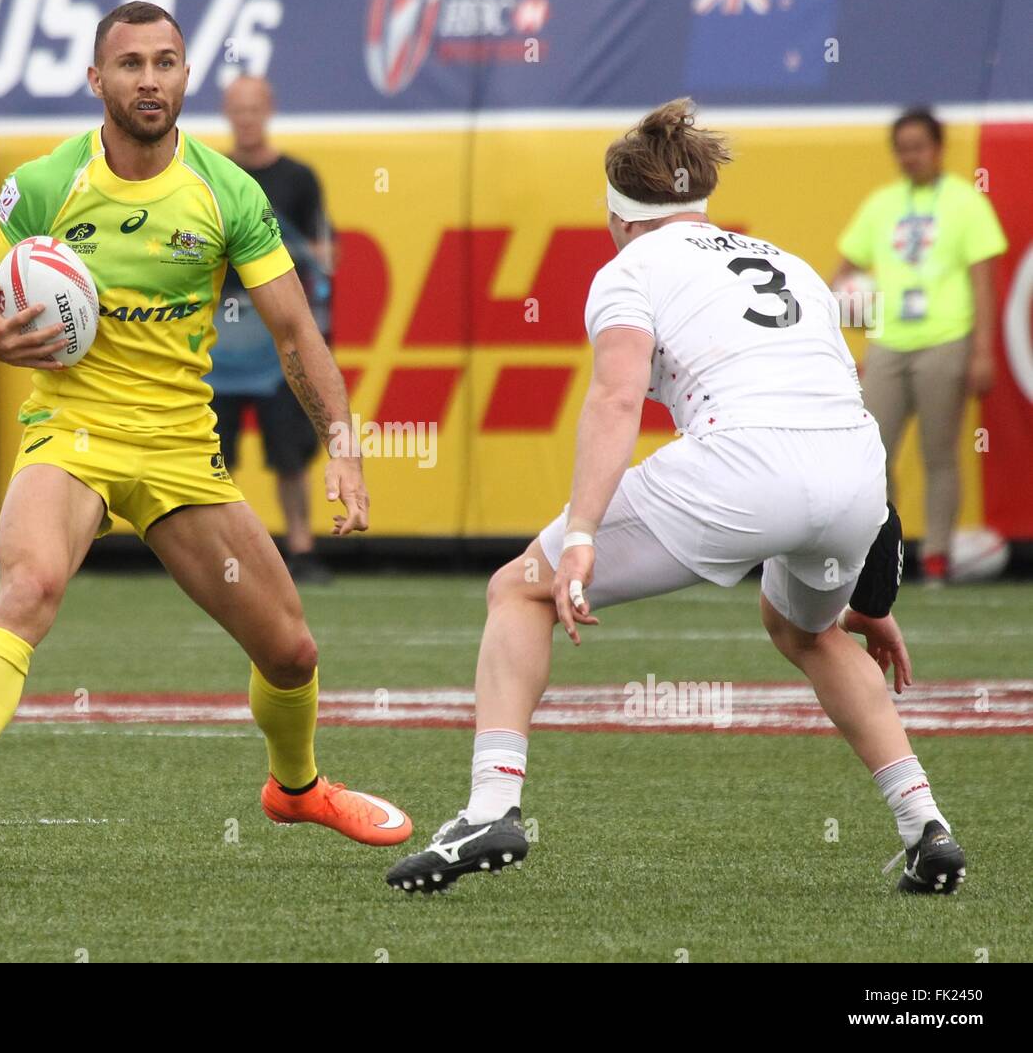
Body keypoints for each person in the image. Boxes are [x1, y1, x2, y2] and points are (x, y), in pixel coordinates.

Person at [388, 99, 964, 897]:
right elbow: (840, 405)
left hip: (744, 464)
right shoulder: (789, 262)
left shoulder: (630, 267)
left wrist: (582, 531)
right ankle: (924, 823)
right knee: (808, 630)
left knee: (519, 589)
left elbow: (617, 400)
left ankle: (492, 805)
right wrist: (867, 586)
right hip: (856, 474)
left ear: (621, 216)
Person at [0, 2, 411, 863]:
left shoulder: (226, 191)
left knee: (290, 652)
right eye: (129, 64)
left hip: (179, 451)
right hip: (73, 433)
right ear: (96, 80)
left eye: (165, 62)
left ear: (184, 76)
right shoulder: (50, 182)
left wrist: (346, 446)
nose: (149, 79)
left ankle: (296, 790)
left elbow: (295, 334)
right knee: (27, 589)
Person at [833, 108, 1007, 586]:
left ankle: (936, 556)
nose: (910, 157)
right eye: (902, 148)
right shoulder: (882, 203)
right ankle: (878, 552)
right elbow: (844, 270)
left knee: (939, 453)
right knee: (872, 451)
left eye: (918, 146)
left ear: (939, 147)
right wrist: (851, 311)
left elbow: (983, 282)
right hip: (888, 341)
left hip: (945, 340)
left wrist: (982, 351)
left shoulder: (965, 202)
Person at [211, 76, 336, 584]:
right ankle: (217, 555)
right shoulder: (209, 175)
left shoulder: (299, 178)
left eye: (253, 107)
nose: (245, 117)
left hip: (277, 336)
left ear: (269, 109)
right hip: (215, 341)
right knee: (212, 460)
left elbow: (326, 255)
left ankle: (301, 550)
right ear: (226, 112)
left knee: (290, 454)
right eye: (237, 109)